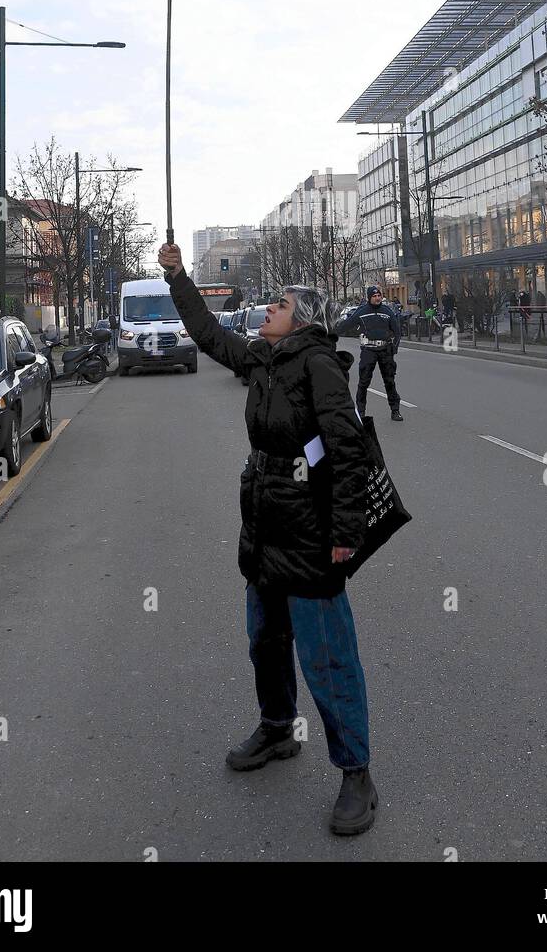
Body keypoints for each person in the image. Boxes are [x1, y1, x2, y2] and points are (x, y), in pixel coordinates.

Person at [158, 242, 378, 837]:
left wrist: (344, 533)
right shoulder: (264, 360)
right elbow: (207, 334)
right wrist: (178, 277)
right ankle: (278, 728)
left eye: (278, 306)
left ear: (301, 319)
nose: (266, 312)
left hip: (309, 529)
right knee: (266, 639)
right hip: (264, 521)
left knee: (327, 655)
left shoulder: (320, 366)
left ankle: (356, 771)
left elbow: (347, 447)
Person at [337, 285, 403, 421]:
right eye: (374, 296)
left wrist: (394, 349)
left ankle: (395, 410)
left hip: (385, 351)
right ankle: (360, 412)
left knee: (389, 381)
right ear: (369, 298)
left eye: (379, 295)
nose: (377, 298)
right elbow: (346, 325)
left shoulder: (387, 311)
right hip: (369, 351)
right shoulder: (362, 312)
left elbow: (397, 332)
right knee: (363, 382)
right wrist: (329, 334)